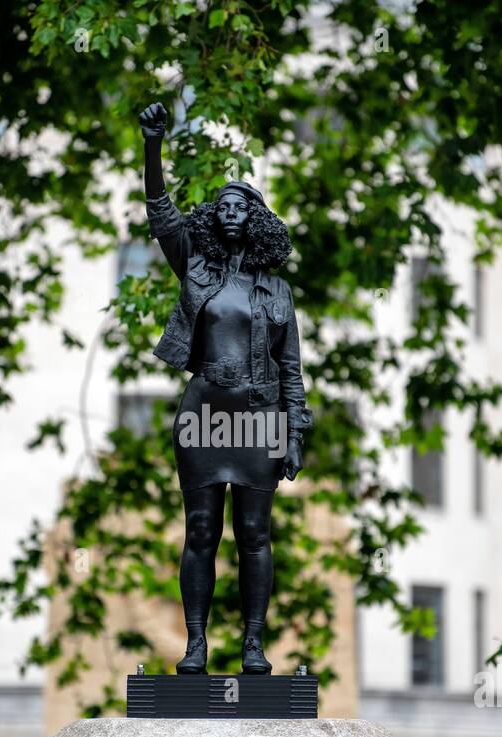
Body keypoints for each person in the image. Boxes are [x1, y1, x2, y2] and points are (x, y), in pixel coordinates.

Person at [138, 101, 312, 675]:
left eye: (242, 206)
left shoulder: (277, 290)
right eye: (224, 206)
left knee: (255, 533)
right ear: (215, 218)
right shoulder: (195, 269)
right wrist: (153, 145)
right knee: (202, 529)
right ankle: (195, 645)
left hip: (261, 416)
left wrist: (294, 434)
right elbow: (161, 213)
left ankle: (255, 646)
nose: (232, 212)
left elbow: (291, 367)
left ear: (256, 220)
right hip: (204, 412)